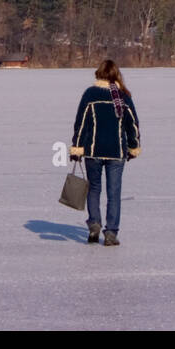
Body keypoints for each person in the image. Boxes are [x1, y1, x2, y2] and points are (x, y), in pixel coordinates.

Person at [69, 59, 141, 246]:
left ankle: (94, 224)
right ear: (117, 74)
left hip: (93, 150)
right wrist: (133, 147)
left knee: (94, 189)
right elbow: (132, 125)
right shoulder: (123, 96)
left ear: (98, 73)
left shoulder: (90, 94)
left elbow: (81, 123)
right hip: (117, 152)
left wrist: (77, 147)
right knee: (114, 192)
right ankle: (111, 233)